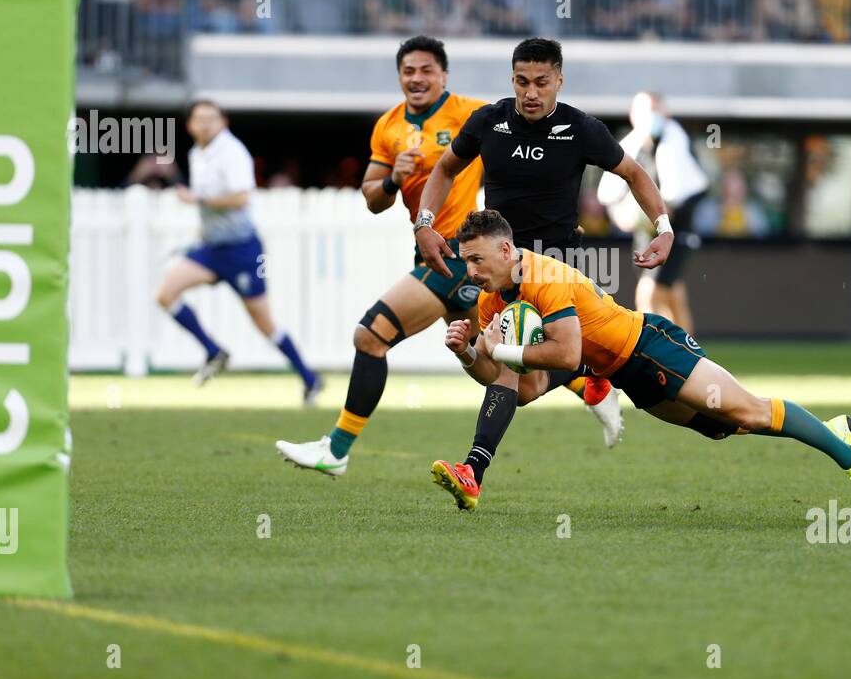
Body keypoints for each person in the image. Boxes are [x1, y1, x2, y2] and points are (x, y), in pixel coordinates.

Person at [275, 36, 621, 476]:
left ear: (444, 76)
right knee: (511, 366)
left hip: (463, 256)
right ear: (399, 76)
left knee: (371, 336)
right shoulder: (388, 127)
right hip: (432, 247)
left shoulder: (473, 114)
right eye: (408, 71)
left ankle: (338, 449)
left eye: (426, 71)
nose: (416, 79)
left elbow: (527, 142)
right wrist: (391, 181)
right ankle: (591, 383)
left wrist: (553, 215)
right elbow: (371, 198)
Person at [428, 210, 851, 518]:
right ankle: (833, 429)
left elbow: (566, 356)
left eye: (476, 259)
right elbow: (520, 389)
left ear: (507, 251)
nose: (470, 270)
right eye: (465, 260)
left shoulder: (544, 277)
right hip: (625, 373)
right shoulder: (492, 302)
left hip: (650, 346)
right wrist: (470, 354)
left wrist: (498, 350)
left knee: (748, 410)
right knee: (725, 427)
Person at [414, 37, 672, 450]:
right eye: (521, 82)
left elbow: (635, 174)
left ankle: (474, 467)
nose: (530, 92)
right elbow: (445, 169)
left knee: (512, 368)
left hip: (557, 263)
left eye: (541, 82)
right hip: (504, 266)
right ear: (512, 80)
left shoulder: (582, 129)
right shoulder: (488, 122)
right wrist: (424, 223)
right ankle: (588, 382)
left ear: (559, 81)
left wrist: (663, 227)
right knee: (515, 370)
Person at [154, 100, 320, 404]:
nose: (204, 124)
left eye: (211, 118)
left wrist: (197, 199)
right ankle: (213, 351)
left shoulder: (232, 152)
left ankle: (310, 379)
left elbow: (241, 198)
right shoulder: (196, 153)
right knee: (166, 293)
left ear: (223, 122)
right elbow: (211, 207)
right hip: (212, 248)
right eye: (199, 119)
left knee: (263, 321)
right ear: (190, 125)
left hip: (243, 249)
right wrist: (200, 234)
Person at [598, 91, 709, 331]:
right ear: (632, 116)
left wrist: (662, 214)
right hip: (648, 230)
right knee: (672, 293)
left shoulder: (676, 142)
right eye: (645, 111)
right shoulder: (632, 146)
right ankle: (691, 357)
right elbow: (609, 190)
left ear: (666, 113)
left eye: (655, 110)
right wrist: (622, 215)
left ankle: (652, 353)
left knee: (648, 293)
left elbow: (678, 192)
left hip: (678, 229)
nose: (651, 117)